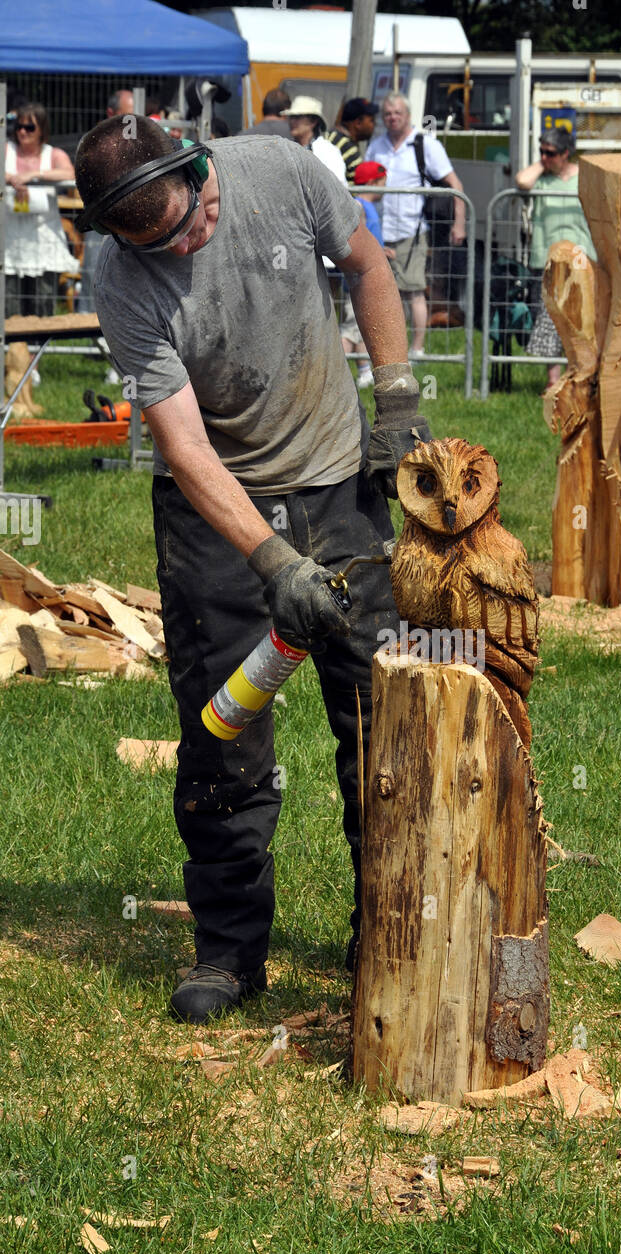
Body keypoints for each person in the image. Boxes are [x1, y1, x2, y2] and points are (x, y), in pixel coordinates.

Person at [73, 116, 431, 1023]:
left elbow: (366, 266)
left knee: (382, 717)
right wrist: (270, 560)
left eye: (193, 222)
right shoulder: (118, 277)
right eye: (162, 242)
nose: (189, 244)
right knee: (224, 735)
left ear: (197, 166)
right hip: (216, 514)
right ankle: (229, 951)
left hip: (340, 483)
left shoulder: (281, 170)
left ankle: (390, 928)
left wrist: (395, 396)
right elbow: (185, 447)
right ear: (119, 234)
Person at [366, 93, 465, 357]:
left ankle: (417, 350)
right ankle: (387, 349)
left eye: (397, 112)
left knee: (414, 291)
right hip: (380, 230)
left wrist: (460, 224)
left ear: (408, 115)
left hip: (413, 230)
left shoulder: (426, 145)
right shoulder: (376, 146)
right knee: (382, 292)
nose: (392, 117)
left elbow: (455, 185)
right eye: (387, 113)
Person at [515, 125, 596, 387]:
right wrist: (541, 163)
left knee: (581, 319)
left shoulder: (584, 176)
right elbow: (521, 181)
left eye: (550, 153)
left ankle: (580, 376)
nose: (544, 157)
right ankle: (552, 381)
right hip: (546, 259)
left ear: (565, 154)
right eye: (541, 152)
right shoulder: (541, 177)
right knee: (550, 319)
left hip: (581, 259)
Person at [4, 102, 78, 316]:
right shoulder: (6, 149)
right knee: (10, 304)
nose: (22, 131)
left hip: (43, 236)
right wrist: (9, 178)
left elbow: (69, 173)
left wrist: (34, 175)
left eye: (29, 128)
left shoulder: (52, 154)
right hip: (11, 237)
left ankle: (39, 347)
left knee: (42, 302)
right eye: (19, 126)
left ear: (42, 130)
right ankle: (12, 348)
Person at [340, 160, 395, 388]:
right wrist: (380, 253)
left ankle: (356, 371)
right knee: (358, 328)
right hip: (361, 280)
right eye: (384, 183)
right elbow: (364, 243)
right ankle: (357, 372)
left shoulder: (355, 204)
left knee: (356, 327)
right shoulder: (364, 208)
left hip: (354, 277)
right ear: (376, 181)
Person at [285, 96, 346, 183]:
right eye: (291, 117)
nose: (292, 121)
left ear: (313, 121)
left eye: (297, 117)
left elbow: (338, 185)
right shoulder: (286, 148)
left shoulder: (327, 151)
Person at [326, 98, 378, 179]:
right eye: (371, 120)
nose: (375, 124)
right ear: (358, 123)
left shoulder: (327, 136)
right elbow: (353, 188)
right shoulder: (349, 149)